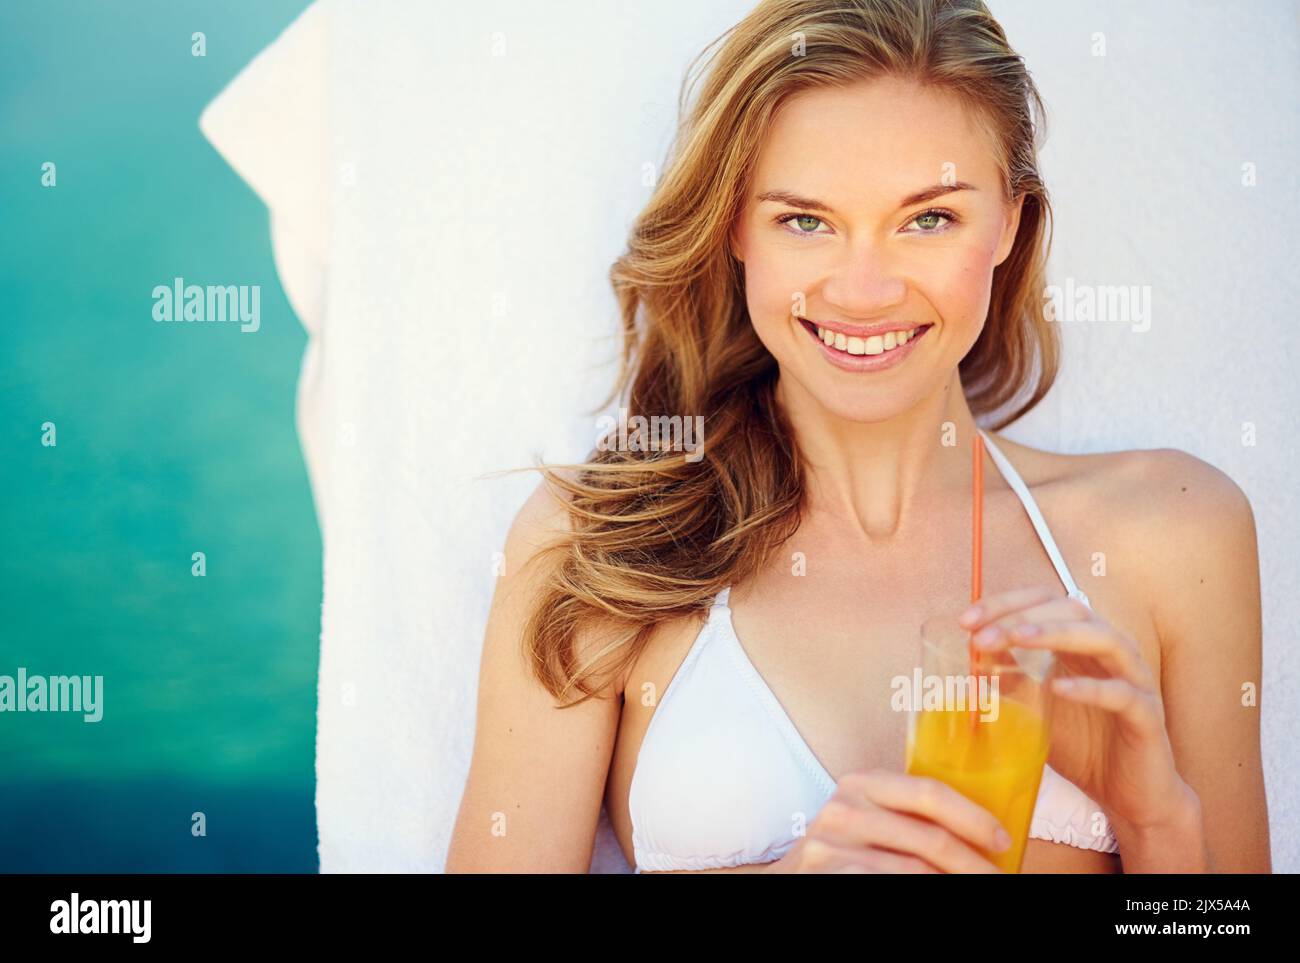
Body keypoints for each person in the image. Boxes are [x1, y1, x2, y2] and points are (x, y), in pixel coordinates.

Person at [445, 0, 1269, 874]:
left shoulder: (1176, 532)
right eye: (805, 220)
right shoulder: (599, 544)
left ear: (1010, 225)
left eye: (929, 219)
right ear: (734, 228)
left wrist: (1159, 830)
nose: (865, 291)